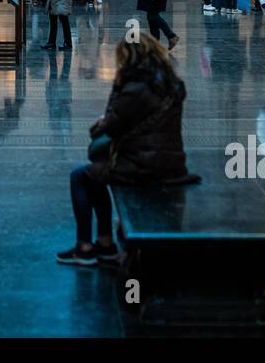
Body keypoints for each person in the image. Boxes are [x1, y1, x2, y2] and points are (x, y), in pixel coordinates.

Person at [58, 35, 193, 266]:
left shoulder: (134, 88)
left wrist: (116, 89)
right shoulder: (172, 85)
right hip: (172, 163)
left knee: (81, 176)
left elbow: (110, 126)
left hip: (143, 165)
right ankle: (104, 242)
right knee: (96, 174)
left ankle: (86, 246)